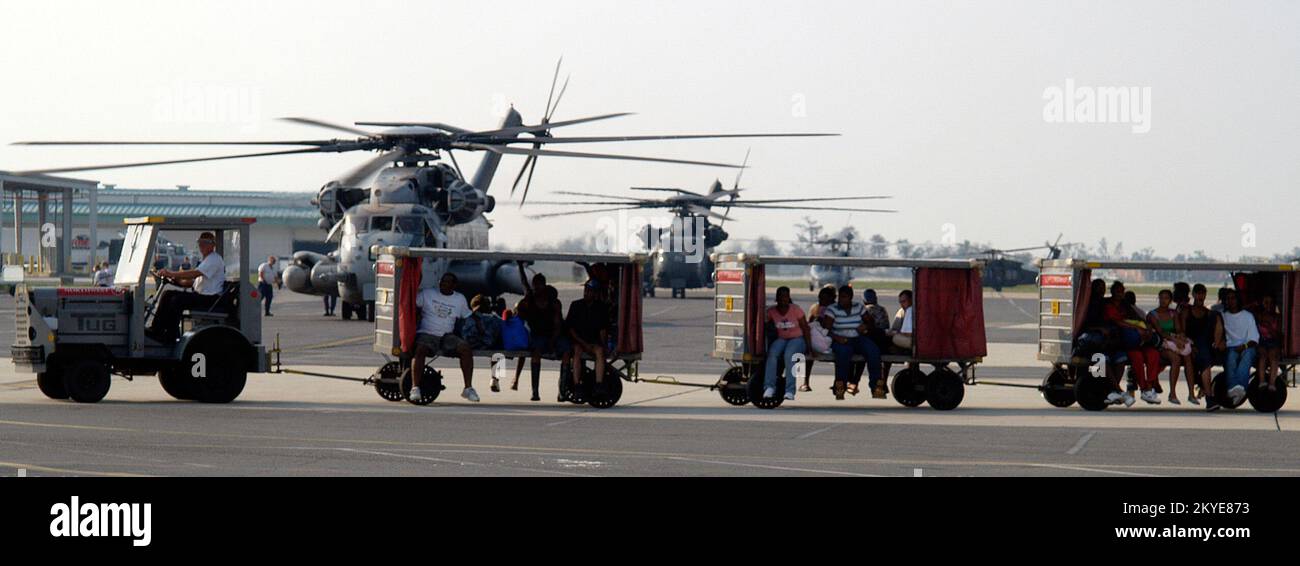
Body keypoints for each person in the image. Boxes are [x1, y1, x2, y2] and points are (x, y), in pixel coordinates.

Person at [409, 272, 479, 403]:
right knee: (420, 350)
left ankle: (468, 388)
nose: (443, 284)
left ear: (454, 285)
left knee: (465, 349)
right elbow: (412, 305)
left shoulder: (459, 299)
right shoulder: (427, 294)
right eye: (442, 281)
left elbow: (468, 316)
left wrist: (481, 322)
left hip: (447, 336)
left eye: (447, 282)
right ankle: (415, 388)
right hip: (427, 333)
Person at [145, 232, 226, 343]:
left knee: (177, 301)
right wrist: (175, 280)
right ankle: (156, 329)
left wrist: (171, 273)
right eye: (200, 243)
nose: (202, 246)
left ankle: (170, 335)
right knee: (167, 294)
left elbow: (194, 273)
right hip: (202, 295)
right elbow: (193, 282)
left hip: (210, 299)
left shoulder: (214, 259)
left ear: (213, 245)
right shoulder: (206, 260)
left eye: (206, 243)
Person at [822, 285, 883, 400]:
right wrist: (837, 337)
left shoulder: (858, 307)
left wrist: (865, 326)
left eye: (844, 297)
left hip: (857, 338)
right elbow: (826, 330)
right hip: (840, 339)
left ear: (850, 297)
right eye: (840, 297)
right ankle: (840, 387)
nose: (841, 300)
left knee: (873, 351)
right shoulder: (832, 309)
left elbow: (871, 322)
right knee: (843, 354)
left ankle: (876, 387)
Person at [1104, 281, 1161, 405]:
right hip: (1124, 342)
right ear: (1112, 292)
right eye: (1118, 291)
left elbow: (1138, 318)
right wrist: (1136, 329)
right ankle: (1143, 388)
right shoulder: (1108, 305)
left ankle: (1149, 388)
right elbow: (1117, 322)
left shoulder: (1126, 305)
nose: (1120, 294)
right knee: (1136, 358)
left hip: (1139, 341)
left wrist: (1147, 327)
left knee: (1154, 354)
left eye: (1122, 291)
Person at [513, 285, 563, 402]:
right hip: (536, 337)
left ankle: (562, 390)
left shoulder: (554, 304)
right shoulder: (530, 302)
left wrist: (552, 341)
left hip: (552, 336)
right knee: (535, 353)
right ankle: (535, 391)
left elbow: (558, 326)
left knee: (566, 353)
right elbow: (519, 313)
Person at [763, 286, 810, 401]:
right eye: (780, 296)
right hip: (782, 339)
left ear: (788, 297)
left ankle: (789, 390)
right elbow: (763, 323)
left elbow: (805, 328)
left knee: (789, 355)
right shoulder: (772, 311)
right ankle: (769, 387)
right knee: (772, 354)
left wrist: (809, 347)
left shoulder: (796, 309)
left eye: (785, 296)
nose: (783, 299)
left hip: (797, 339)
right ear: (776, 298)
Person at [565, 280, 612, 393]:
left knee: (600, 352)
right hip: (578, 341)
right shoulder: (576, 305)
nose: (586, 293)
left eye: (590, 291)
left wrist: (604, 345)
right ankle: (576, 384)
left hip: (593, 342)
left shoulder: (601, 308)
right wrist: (582, 343)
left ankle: (598, 383)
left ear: (595, 294)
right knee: (577, 352)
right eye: (585, 290)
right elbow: (570, 328)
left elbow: (602, 329)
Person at [1148, 289, 1193, 404]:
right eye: (1161, 298)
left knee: (1188, 356)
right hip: (1162, 344)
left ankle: (1191, 393)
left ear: (1170, 300)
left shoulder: (1173, 313)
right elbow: (1161, 332)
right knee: (1176, 359)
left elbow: (1178, 329)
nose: (1163, 301)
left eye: (1166, 298)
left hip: (1174, 342)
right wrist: (1174, 339)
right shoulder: (1153, 315)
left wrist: (1181, 338)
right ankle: (1172, 393)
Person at [1185, 284, 1223, 410]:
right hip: (1190, 344)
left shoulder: (1210, 314)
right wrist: (1190, 344)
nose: (1201, 296)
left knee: (1205, 359)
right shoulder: (1187, 312)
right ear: (1193, 295)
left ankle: (1207, 394)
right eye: (1198, 293)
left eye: (1203, 293)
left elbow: (1217, 328)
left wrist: (1217, 342)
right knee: (1204, 361)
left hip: (1205, 346)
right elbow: (1182, 331)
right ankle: (1208, 395)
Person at [1219, 289, 1258, 406]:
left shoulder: (1248, 316)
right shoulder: (1223, 316)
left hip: (1247, 346)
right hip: (1231, 347)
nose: (1231, 301)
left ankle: (1236, 388)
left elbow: (1254, 339)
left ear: (1238, 300)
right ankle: (1237, 389)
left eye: (1233, 298)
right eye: (1228, 299)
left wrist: (1244, 346)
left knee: (1247, 356)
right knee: (1231, 357)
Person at [801, 285, 836, 392]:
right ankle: (805, 382)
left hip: (831, 337)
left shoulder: (836, 308)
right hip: (817, 337)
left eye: (824, 299)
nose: (821, 301)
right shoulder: (815, 307)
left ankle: (837, 382)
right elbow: (809, 323)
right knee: (808, 351)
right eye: (820, 298)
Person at [1255, 294, 1284, 393]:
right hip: (1261, 342)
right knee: (1262, 356)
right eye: (1266, 303)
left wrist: (1269, 327)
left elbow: (1278, 335)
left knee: (1273, 357)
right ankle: (1262, 381)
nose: (1268, 306)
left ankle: (1272, 383)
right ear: (1262, 303)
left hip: (1273, 341)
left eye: (1271, 303)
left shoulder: (1278, 317)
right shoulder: (1258, 316)